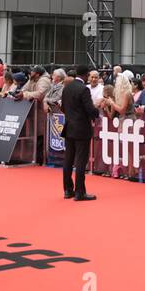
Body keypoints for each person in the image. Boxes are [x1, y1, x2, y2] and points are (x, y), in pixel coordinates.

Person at [60, 69, 99, 202]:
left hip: (69, 127)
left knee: (68, 160)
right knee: (81, 161)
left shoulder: (67, 87)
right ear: (86, 75)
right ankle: (80, 192)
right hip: (82, 129)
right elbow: (90, 108)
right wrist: (96, 113)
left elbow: (63, 107)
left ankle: (67, 190)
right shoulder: (84, 89)